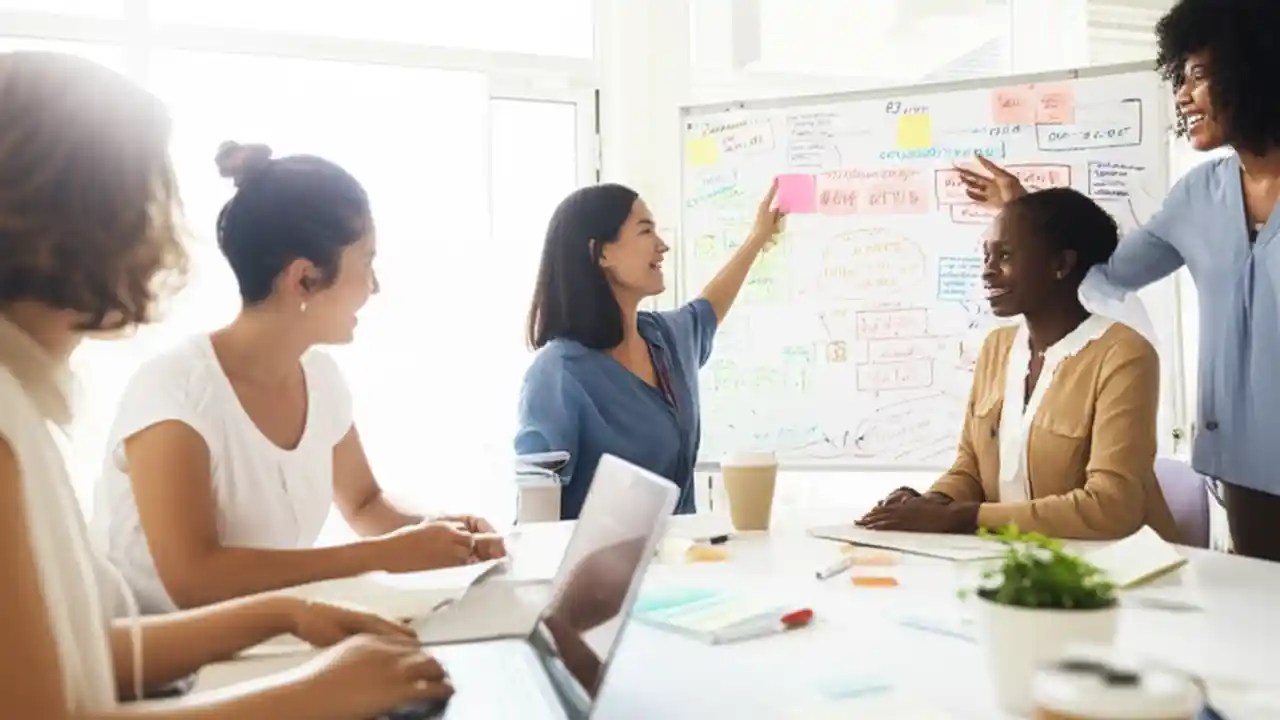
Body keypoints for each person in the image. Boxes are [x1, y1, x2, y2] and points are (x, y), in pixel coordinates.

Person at [0, 50, 452, 718]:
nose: (164, 237)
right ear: (75, 224)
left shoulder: (22, 406)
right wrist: (317, 693)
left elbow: (87, 657)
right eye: (147, 201)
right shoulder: (16, 423)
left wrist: (287, 613)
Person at [93, 141, 504, 614]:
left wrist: (441, 534)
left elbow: (365, 504)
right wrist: (383, 556)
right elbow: (194, 580)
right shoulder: (175, 391)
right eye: (366, 262)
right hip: (161, 652)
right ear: (305, 278)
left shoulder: (320, 378)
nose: (375, 286)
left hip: (268, 638)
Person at [951, 0, 1280, 560]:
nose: (1182, 96)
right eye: (1180, 78)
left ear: (1256, 69)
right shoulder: (1198, 197)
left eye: (1199, 76)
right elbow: (1102, 274)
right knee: (1261, 606)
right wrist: (1026, 217)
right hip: (1241, 464)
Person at [859, 189, 1179, 542]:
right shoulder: (996, 347)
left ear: (1061, 265)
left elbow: (1110, 507)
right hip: (1021, 557)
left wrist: (961, 516)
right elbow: (970, 469)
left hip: (1121, 565)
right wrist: (930, 503)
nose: (987, 271)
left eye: (1005, 255)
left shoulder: (1124, 355)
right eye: (986, 255)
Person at [515, 183, 785, 519]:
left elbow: (709, 306)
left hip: (682, 551)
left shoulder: (666, 339)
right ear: (601, 253)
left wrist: (758, 237)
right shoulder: (557, 374)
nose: (662, 245)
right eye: (645, 231)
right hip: (598, 556)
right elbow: (535, 522)